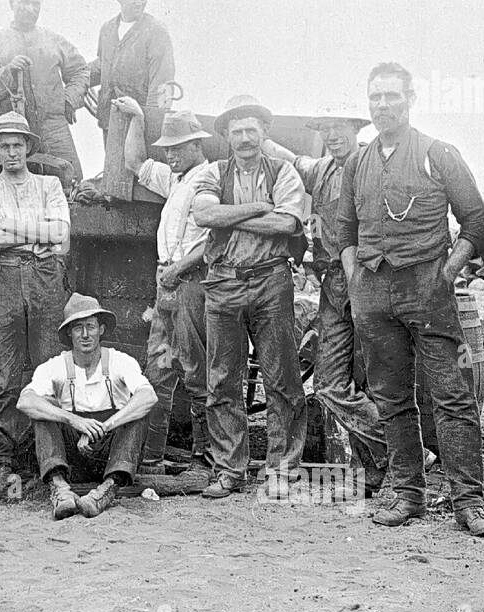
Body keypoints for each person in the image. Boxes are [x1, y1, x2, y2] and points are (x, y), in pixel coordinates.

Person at [337, 61, 484, 536]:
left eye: (392, 96)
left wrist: (445, 274)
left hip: (427, 290)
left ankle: (469, 500)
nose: (383, 105)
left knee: (451, 395)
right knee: (390, 396)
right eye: (375, 98)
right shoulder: (357, 163)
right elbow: (344, 229)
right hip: (372, 292)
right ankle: (407, 491)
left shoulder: (437, 153)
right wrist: (354, 278)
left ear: (411, 99)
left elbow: (476, 224)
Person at [261, 109, 387, 490]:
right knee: (331, 384)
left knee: (372, 380)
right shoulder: (322, 170)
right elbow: (287, 156)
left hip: (371, 283)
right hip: (333, 287)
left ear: (355, 130)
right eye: (326, 130)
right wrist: (254, 127)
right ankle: (397, 447)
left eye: (340, 129)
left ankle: (382, 468)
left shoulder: (375, 166)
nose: (333, 136)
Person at [191, 96, 309, 501]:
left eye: (251, 130)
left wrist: (234, 213)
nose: (244, 138)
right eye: (236, 131)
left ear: (264, 133)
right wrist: (260, 207)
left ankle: (283, 470)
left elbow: (288, 222)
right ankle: (229, 470)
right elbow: (205, 215)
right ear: (226, 135)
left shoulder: (284, 171)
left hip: (271, 280)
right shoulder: (211, 173)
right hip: (223, 282)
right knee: (222, 379)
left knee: (282, 376)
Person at [0, 112, 70, 496]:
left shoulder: (49, 185)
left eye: (17, 144)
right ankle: (6, 462)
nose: (11, 152)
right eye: (4, 145)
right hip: (4, 277)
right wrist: (33, 233)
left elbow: (59, 234)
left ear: (28, 147)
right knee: (4, 371)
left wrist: (8, 228)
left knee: (49, 365)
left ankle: (51, 463)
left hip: (44, 277)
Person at [119, 98, 211, 473]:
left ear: (196, 145)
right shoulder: (175, 180)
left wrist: (179, 270)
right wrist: (138, 119)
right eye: (168, 150)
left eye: (178, 148)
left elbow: (213, 242)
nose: (171, 155)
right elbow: (134, 163)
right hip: (168, 282)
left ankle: (207, 456)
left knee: (197, 368)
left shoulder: (210, 178)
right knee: (159, 367)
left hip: (193, 282)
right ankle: (153, 455)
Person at [18, 294, 156, 519]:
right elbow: (25, 401)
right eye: (78, 328)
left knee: (137, 415)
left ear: (101, 329)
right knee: (42, 411)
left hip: (110, 455)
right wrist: (73, 420)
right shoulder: (55, 366)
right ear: (69, 334)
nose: (85, 334)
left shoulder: (120, 361)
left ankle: (106, 490)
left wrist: (104, 427)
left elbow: (148, 396)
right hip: (72, 457)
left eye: (90, 326)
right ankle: (60, 489)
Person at [0, 0, 90, 188]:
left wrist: (69, 99)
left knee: (72, 184)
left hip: (54, 128)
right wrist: (9, 71)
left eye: (35, 4)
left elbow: (81, 71)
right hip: (13, 133)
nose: (30, 8)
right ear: (11, 3)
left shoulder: (54, 41)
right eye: (24, 2)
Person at [92, 0, 176, 146]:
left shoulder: (156, 31)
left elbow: (163, 85)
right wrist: (75, 80)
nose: (139, 2)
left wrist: (153, 127)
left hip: (140, 123)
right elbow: (102, 65)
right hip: (110, 120)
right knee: (113, 170)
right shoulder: (107, 30)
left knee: (138, 170)